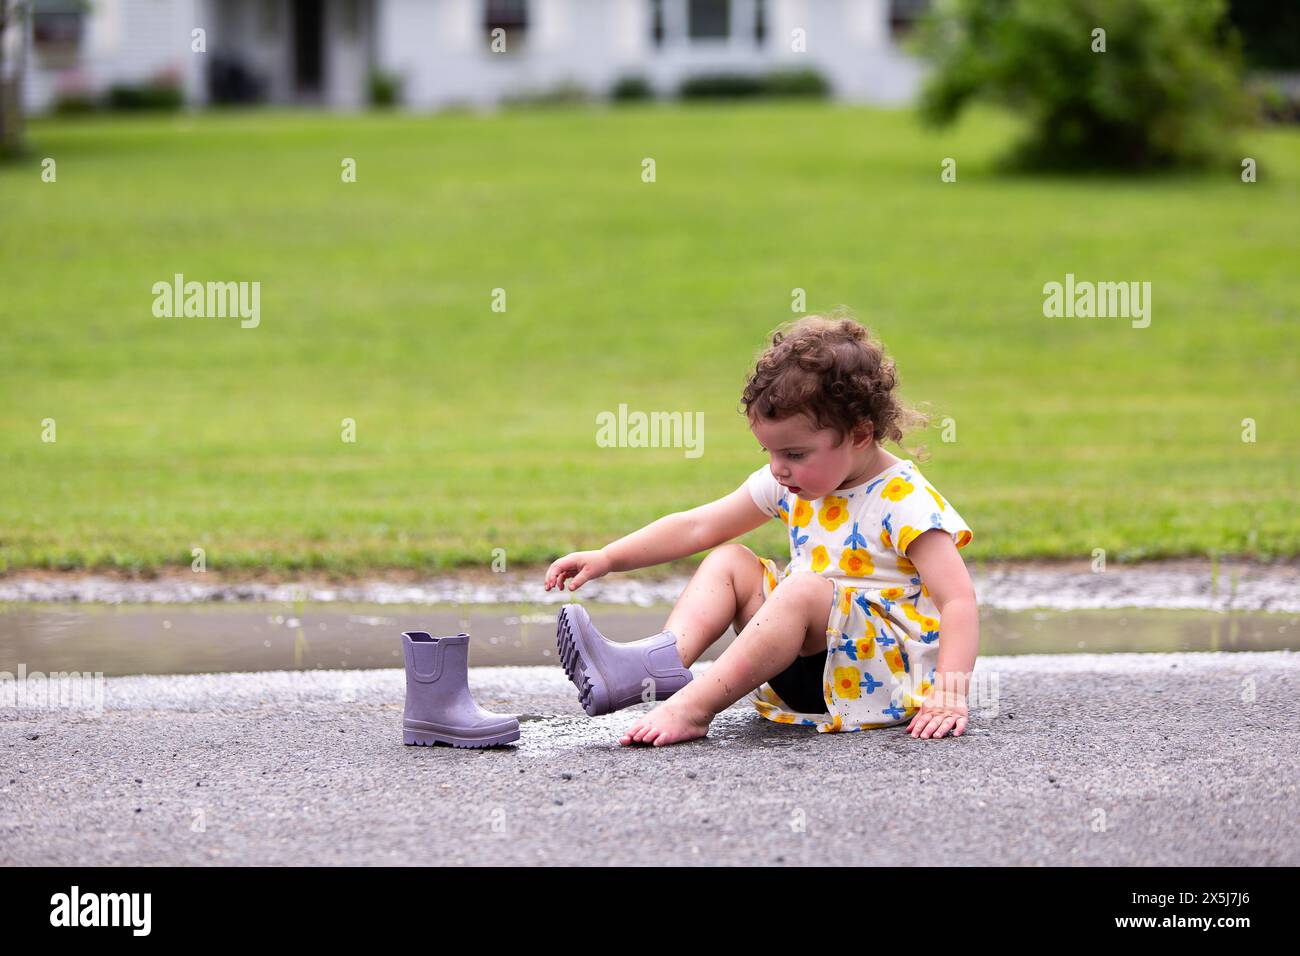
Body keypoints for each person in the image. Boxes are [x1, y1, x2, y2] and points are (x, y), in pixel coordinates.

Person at [544, 313, 978, 747]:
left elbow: (957, 599)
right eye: (768, 450)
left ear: (860, 434)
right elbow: (699, 526)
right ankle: (661, 662)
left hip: (878, 684)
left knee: (803, 587)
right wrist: (608, 558)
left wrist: (948, 694)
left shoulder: (903, 499)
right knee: (731, 561)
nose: (778, 467)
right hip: (801, 670)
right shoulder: (793, 483)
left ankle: (693, 708)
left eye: (794, 452)